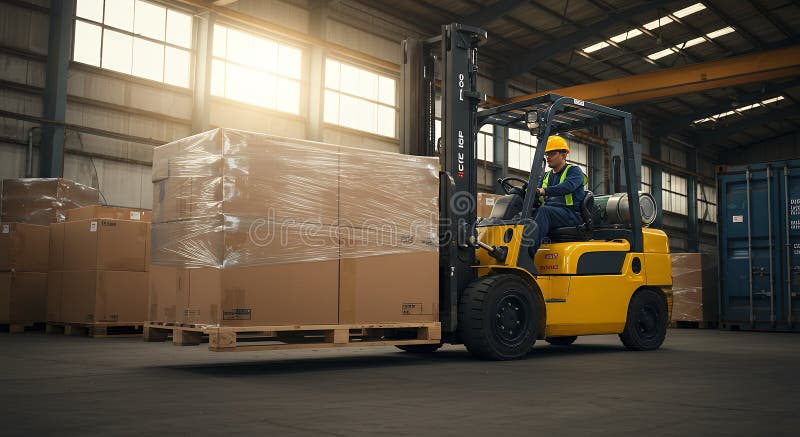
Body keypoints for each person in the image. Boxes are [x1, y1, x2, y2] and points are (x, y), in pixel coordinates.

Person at [529, 135, 587, 256]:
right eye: (546, 154)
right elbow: (537, 192)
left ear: (564, 155)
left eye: (552, 153)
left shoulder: (574, 171)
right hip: (554, 213)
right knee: (523, 214)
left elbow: (567, 187)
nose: (548, 157)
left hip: (571, 214)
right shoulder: (546, 175)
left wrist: (543, 191)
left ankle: (528, 254)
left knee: (544, 211)